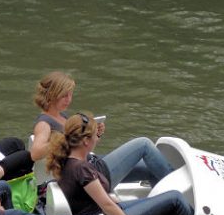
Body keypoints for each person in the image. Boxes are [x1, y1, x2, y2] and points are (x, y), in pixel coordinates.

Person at [47, 113, 194, 215]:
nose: (96, 140)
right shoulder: (82, 168)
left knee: (168, 198)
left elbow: (92, 199)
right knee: (176, 199)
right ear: (85, 141)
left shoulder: (66, 161)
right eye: (94, 136)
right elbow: (107, 206)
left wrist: (113, 201)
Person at [31, 71, 173, 189]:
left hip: (93, 163)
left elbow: (77, 147)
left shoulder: (61, 116)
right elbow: (35, 153)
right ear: (52, 95)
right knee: (144, 144)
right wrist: (68, 136)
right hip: (92, 173)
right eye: (64, 95)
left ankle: (171, 206)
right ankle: (178, 194)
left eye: (70, 94)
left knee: (153, 167)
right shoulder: (44, 123)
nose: (69, 99)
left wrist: (94, 134)